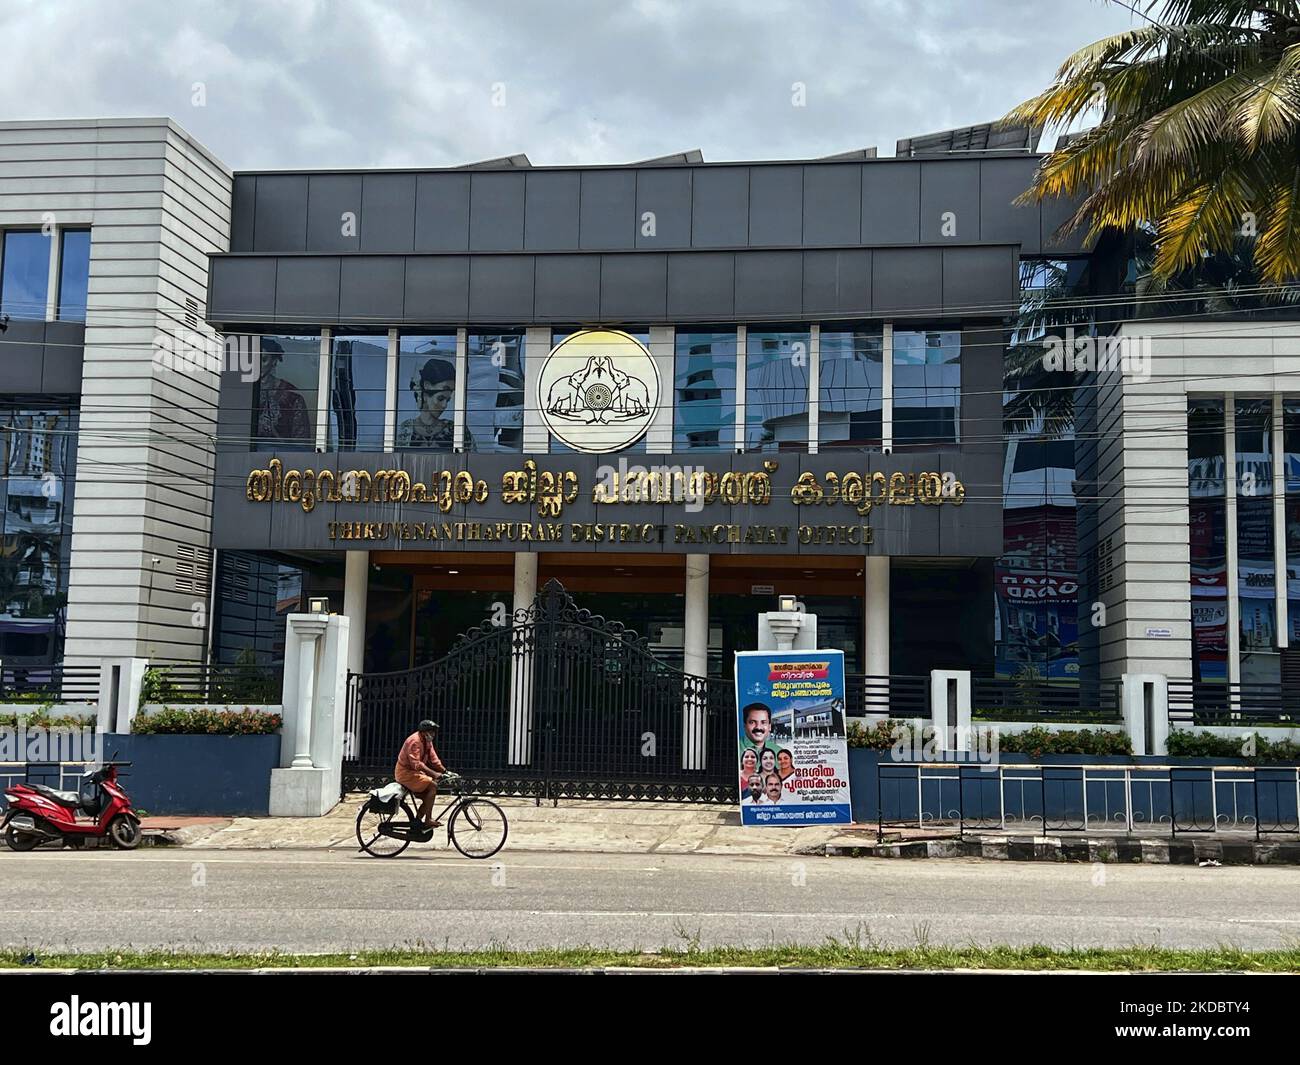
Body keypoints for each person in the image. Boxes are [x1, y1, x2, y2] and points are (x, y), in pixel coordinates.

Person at [397, 357, 471, 450]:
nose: (445, 406)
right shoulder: (405, 429)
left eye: (448, 400)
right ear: (427, 386)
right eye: (440, 398)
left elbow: (471, 460)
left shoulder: (457, 430)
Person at [394, 719, 447, 835]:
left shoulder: (427, 741)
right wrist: (434, 774)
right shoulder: (415, 741)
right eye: (431, 732)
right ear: (424, 732)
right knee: (432, 785)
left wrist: (445, 771)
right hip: (405, 773)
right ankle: (428, 820)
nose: (433, 734)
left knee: (428, 797)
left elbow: (434, 760)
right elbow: (416, 764)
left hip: (414, 773)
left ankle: (417, 822)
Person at [255, 339, 312, 443]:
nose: (258, 365)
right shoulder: (244, 391)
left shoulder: (292, 397)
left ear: (274, 361)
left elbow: (301, 441)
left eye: (263, 360)